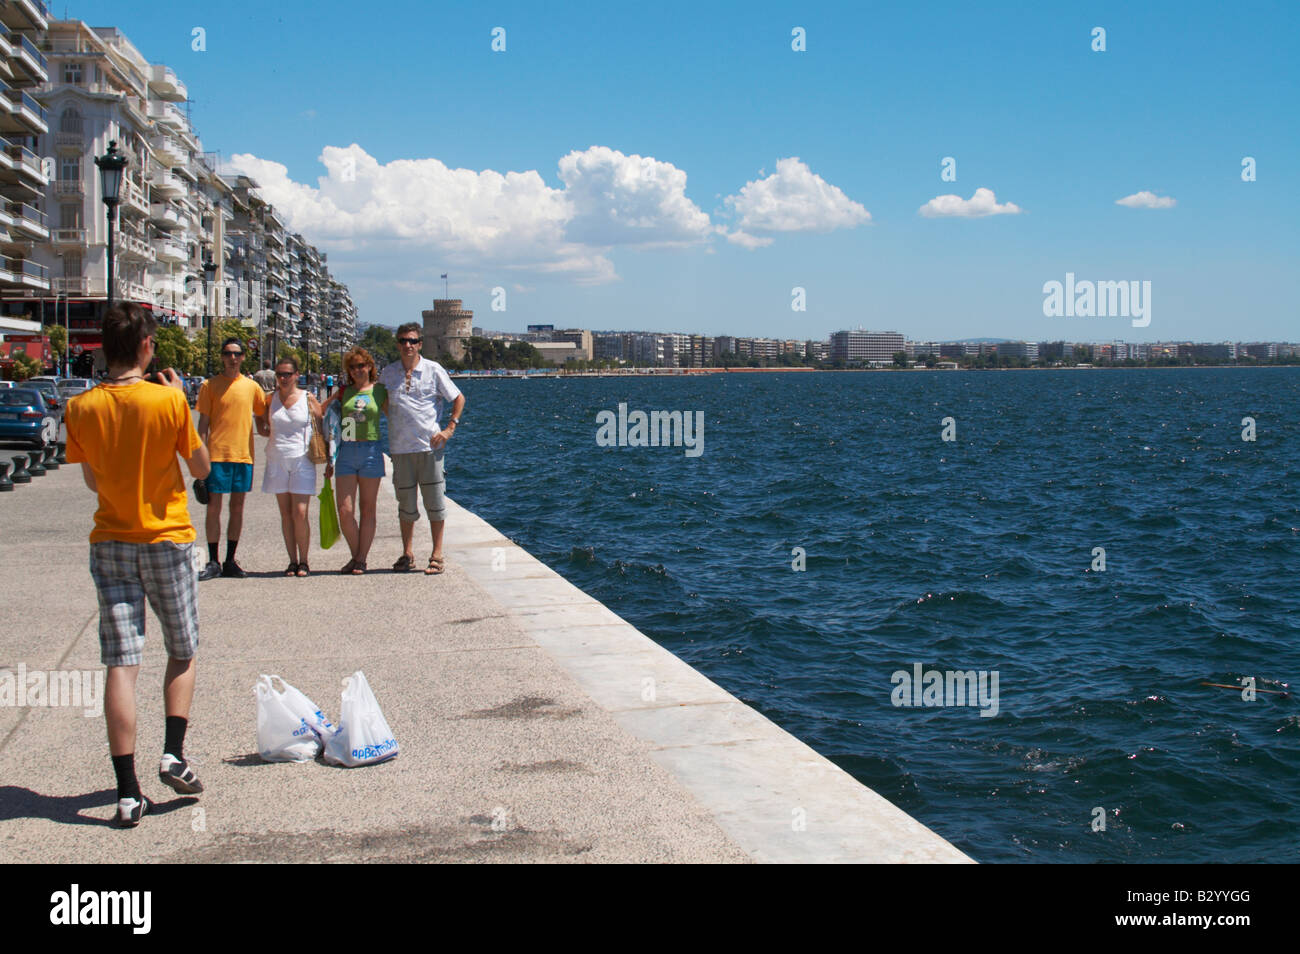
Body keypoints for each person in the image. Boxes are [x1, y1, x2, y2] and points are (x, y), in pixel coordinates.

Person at [64, 303, 212, 827]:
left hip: (111, 541)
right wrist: (181, 411)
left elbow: (91, 481)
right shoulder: (168, 401)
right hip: (167, 538)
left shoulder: (80, 408)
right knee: (182, 649)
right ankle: (173, 753)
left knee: (121, 663)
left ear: (104, 349)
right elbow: (201, 467)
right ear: (147, 347)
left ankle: (127, 792)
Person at [378, 323, 465, 574]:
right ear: (397, 343)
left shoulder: (433, 370)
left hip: (429, 449)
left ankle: (437, 554)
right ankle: (407, 553)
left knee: (435, 502)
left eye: (413, 341)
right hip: (400, 449)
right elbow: (380, 399)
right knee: (405, 504)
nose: (408, 345)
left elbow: (458, 397)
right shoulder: (389, 373)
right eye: (404, 340)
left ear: (420, 344)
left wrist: (449, 429)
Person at [195, 338, 269, 580]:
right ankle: (213, 560)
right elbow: (203, 424)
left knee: (237, 508)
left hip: (243, 456)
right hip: (216, 455)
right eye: (228, 353)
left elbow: (262, 413)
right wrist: (201, 457)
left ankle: (230, 560)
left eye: (237, 354)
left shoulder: (252, 386)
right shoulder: (209, 385)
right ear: (222, 356)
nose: (232, 358)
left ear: (243, 357)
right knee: (213, 508)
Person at [320, 347, 387, 574]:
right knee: (345, 510)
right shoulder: (343, 392)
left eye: (361, 365)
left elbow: (397, 416)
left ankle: (360, 560)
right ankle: (357, 556)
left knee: (368, 509)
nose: (358, 370)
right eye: (353, 367)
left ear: (369, 366)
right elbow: (321, 411)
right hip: (346, 451)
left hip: (370, 450)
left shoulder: (379, 391)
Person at [260, 355, 323, 576]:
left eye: (288, 374)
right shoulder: (270, 399)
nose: (283, 378)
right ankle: (292, 561)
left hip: (302, 459)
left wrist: (328, 454)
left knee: (300, 512)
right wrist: (266, 430)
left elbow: (322, 421)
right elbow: (260, 423)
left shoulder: (307, 398)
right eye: (280, 374)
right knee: (285, 514)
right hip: (277, 459)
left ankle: (304, 560)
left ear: (297, 375)